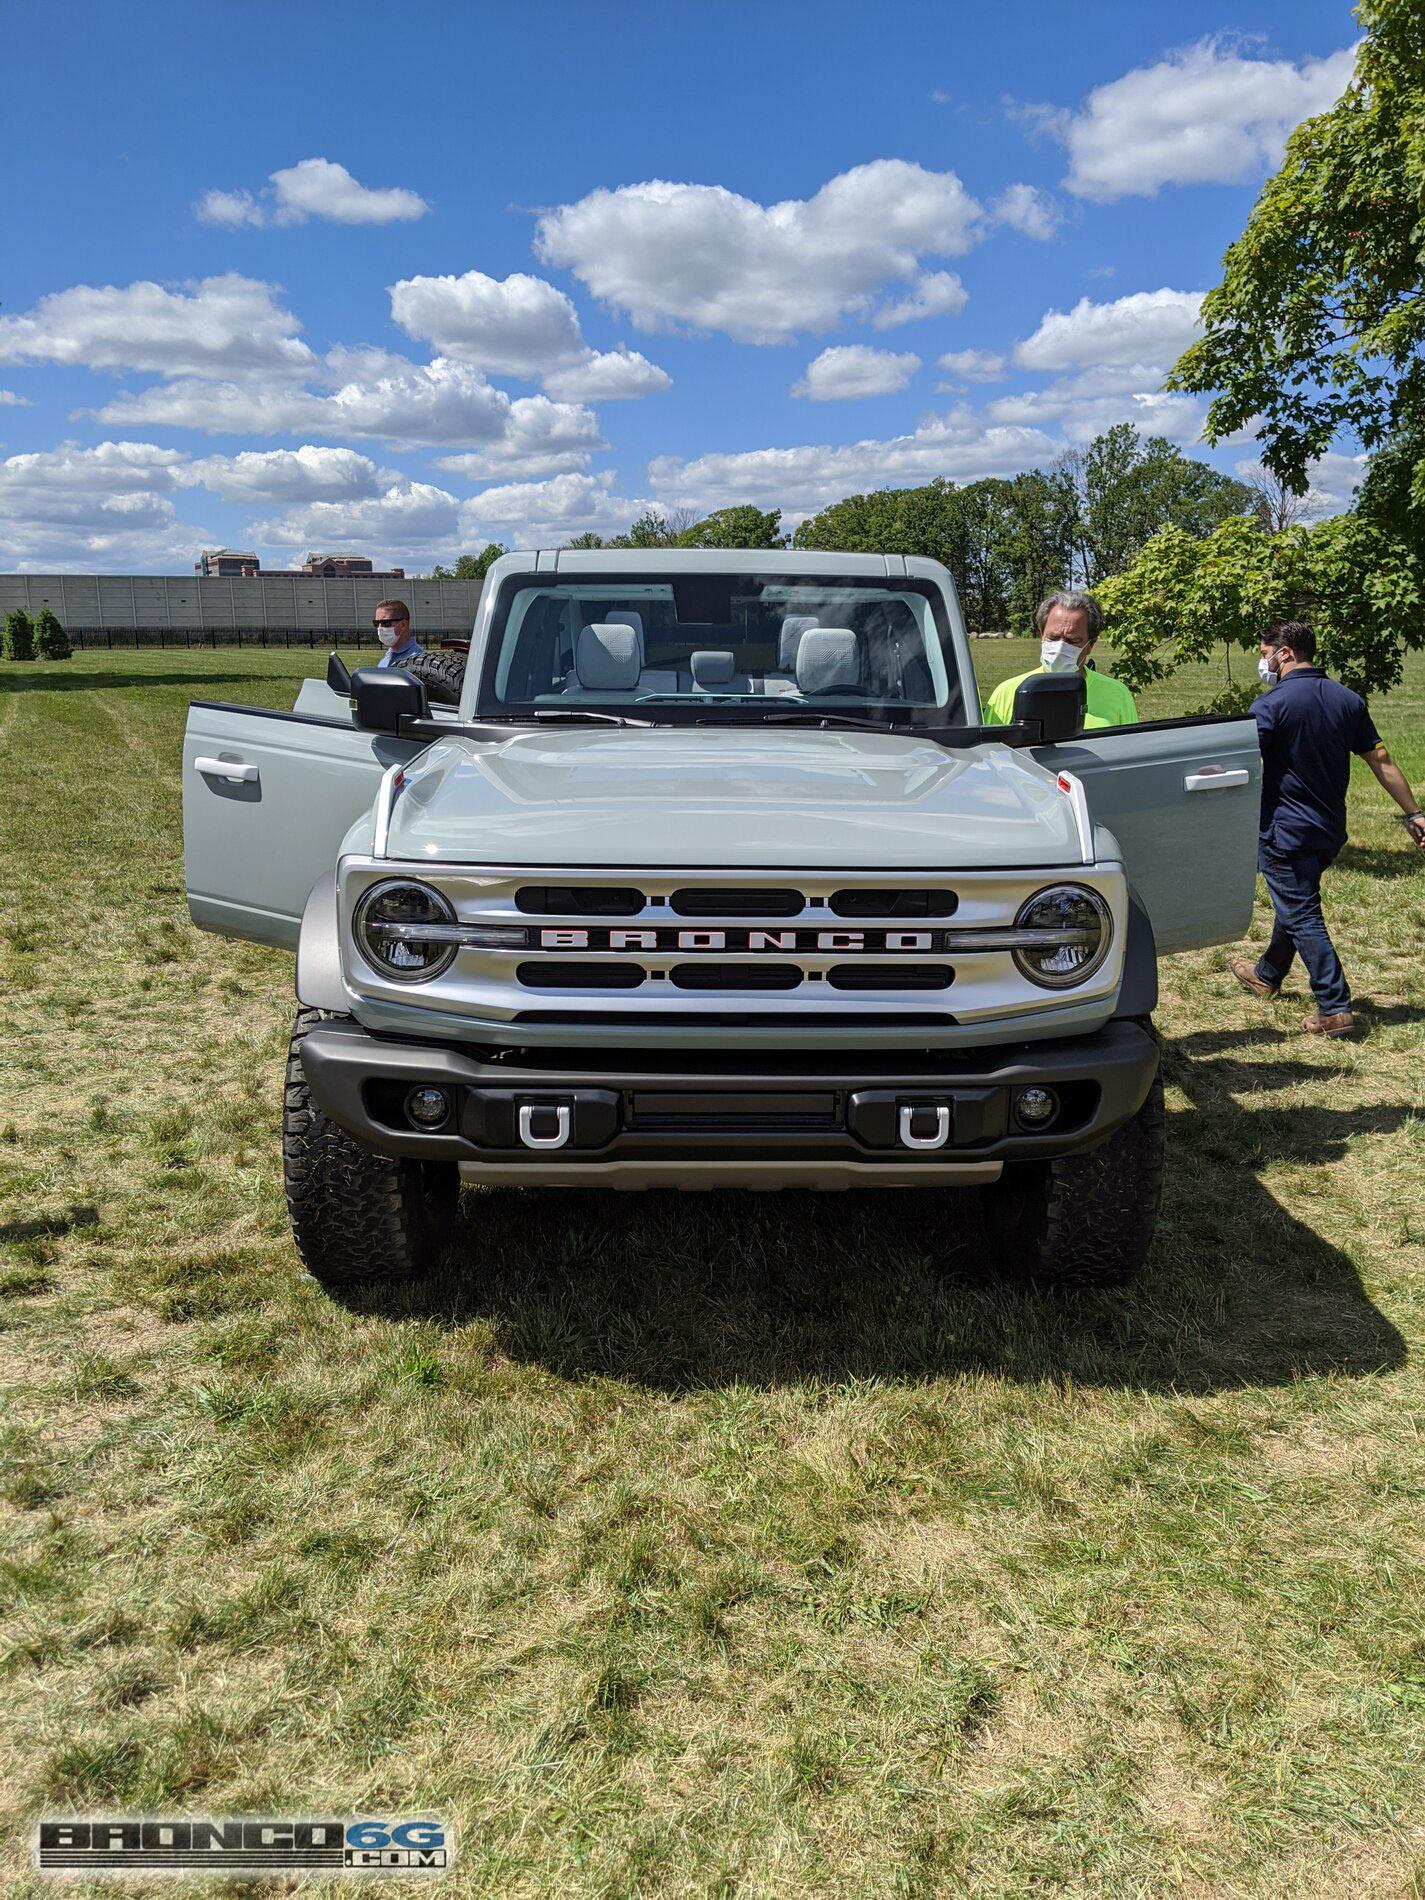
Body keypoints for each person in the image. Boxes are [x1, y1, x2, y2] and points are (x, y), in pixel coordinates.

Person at [1229, 620, 1425, 1038]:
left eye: (1264, 653)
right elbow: (1382, 760)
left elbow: (1239, 764)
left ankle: (1335, 1007)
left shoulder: (1271, 705)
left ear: (1284, 653)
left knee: (1301, 912)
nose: (1262, 662)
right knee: (1296, 901)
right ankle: (1267, 974)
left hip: (1285, 830)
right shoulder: (1348, 700)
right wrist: (1413, 814)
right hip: (1328, 830)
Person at [982, 590, 1138, 730]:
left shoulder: (1117, 694)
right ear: (1042, 634)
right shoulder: (1008, 691)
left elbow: (1131, 751)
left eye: (1072, 640)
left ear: (1090, 645)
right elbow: (990, 753)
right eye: (1053, 637)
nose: (1060, 647)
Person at [373, 599, 423, 669]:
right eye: (376, 623)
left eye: (385, 623)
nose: (379, 628)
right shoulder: (385, 660)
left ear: (403, 625)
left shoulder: (418, 661)